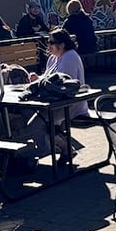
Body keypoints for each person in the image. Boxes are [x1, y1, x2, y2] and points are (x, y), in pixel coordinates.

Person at [27, 28, 87, 161]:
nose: (48, 45)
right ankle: (65, 150)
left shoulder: (70, 57)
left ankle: (57, 149)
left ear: (62, 44)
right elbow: (48, 78)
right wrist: (37, 78)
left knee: (35, 126)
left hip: (69, 104)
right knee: (28, 118)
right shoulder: (53, 58)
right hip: (54, 102)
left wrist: (40, 82)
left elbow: (64, 85)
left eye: (51, 42)